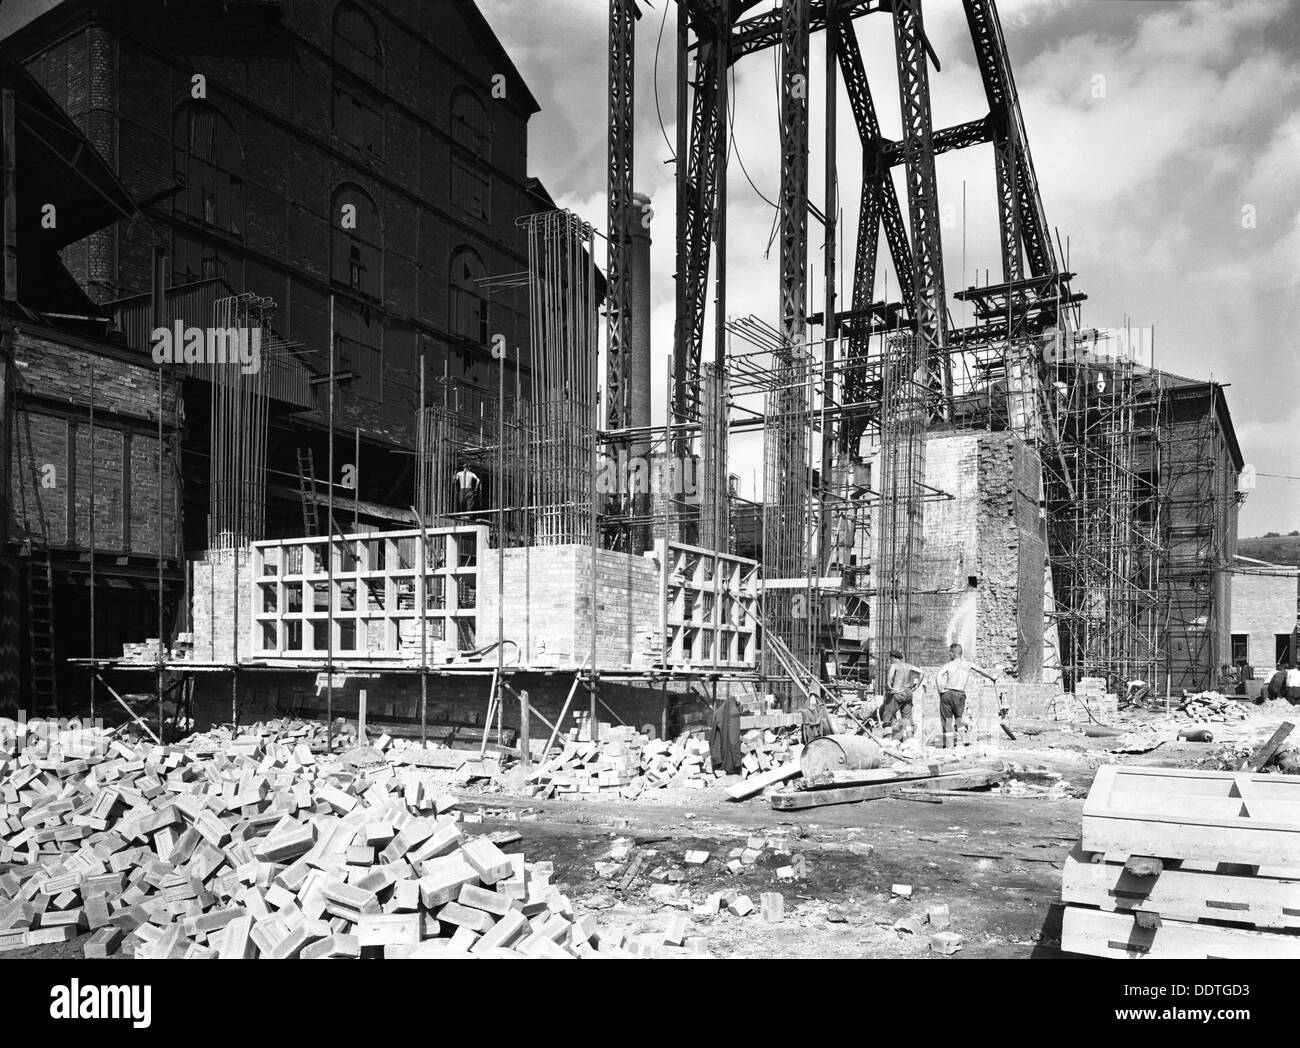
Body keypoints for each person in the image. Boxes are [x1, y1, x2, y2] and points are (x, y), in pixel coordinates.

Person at [935, 642, 998, 747]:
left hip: (947, 693)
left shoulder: (949, 665)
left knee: (948, 720)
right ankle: (964, 739)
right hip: (960, 694)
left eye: (949, 654)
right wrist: (992, 678)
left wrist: (940, 689)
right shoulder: (968, 664)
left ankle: (950, 745)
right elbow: (981, 670)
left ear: (952, 653)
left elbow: (939, 675)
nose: (949, 655)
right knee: (959, 718)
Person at [879, 649, 921, 739]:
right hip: (908, 693)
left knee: (888, 714)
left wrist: (890, 687)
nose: (890, 660)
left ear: (893, 658)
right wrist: (917, 686)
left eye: (891, 658)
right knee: (907, 718)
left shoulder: (894, 665)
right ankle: (910, 741)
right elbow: (922, 672)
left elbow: (889, 681)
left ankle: (887, 740)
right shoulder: (909, 666)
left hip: (897, 693)